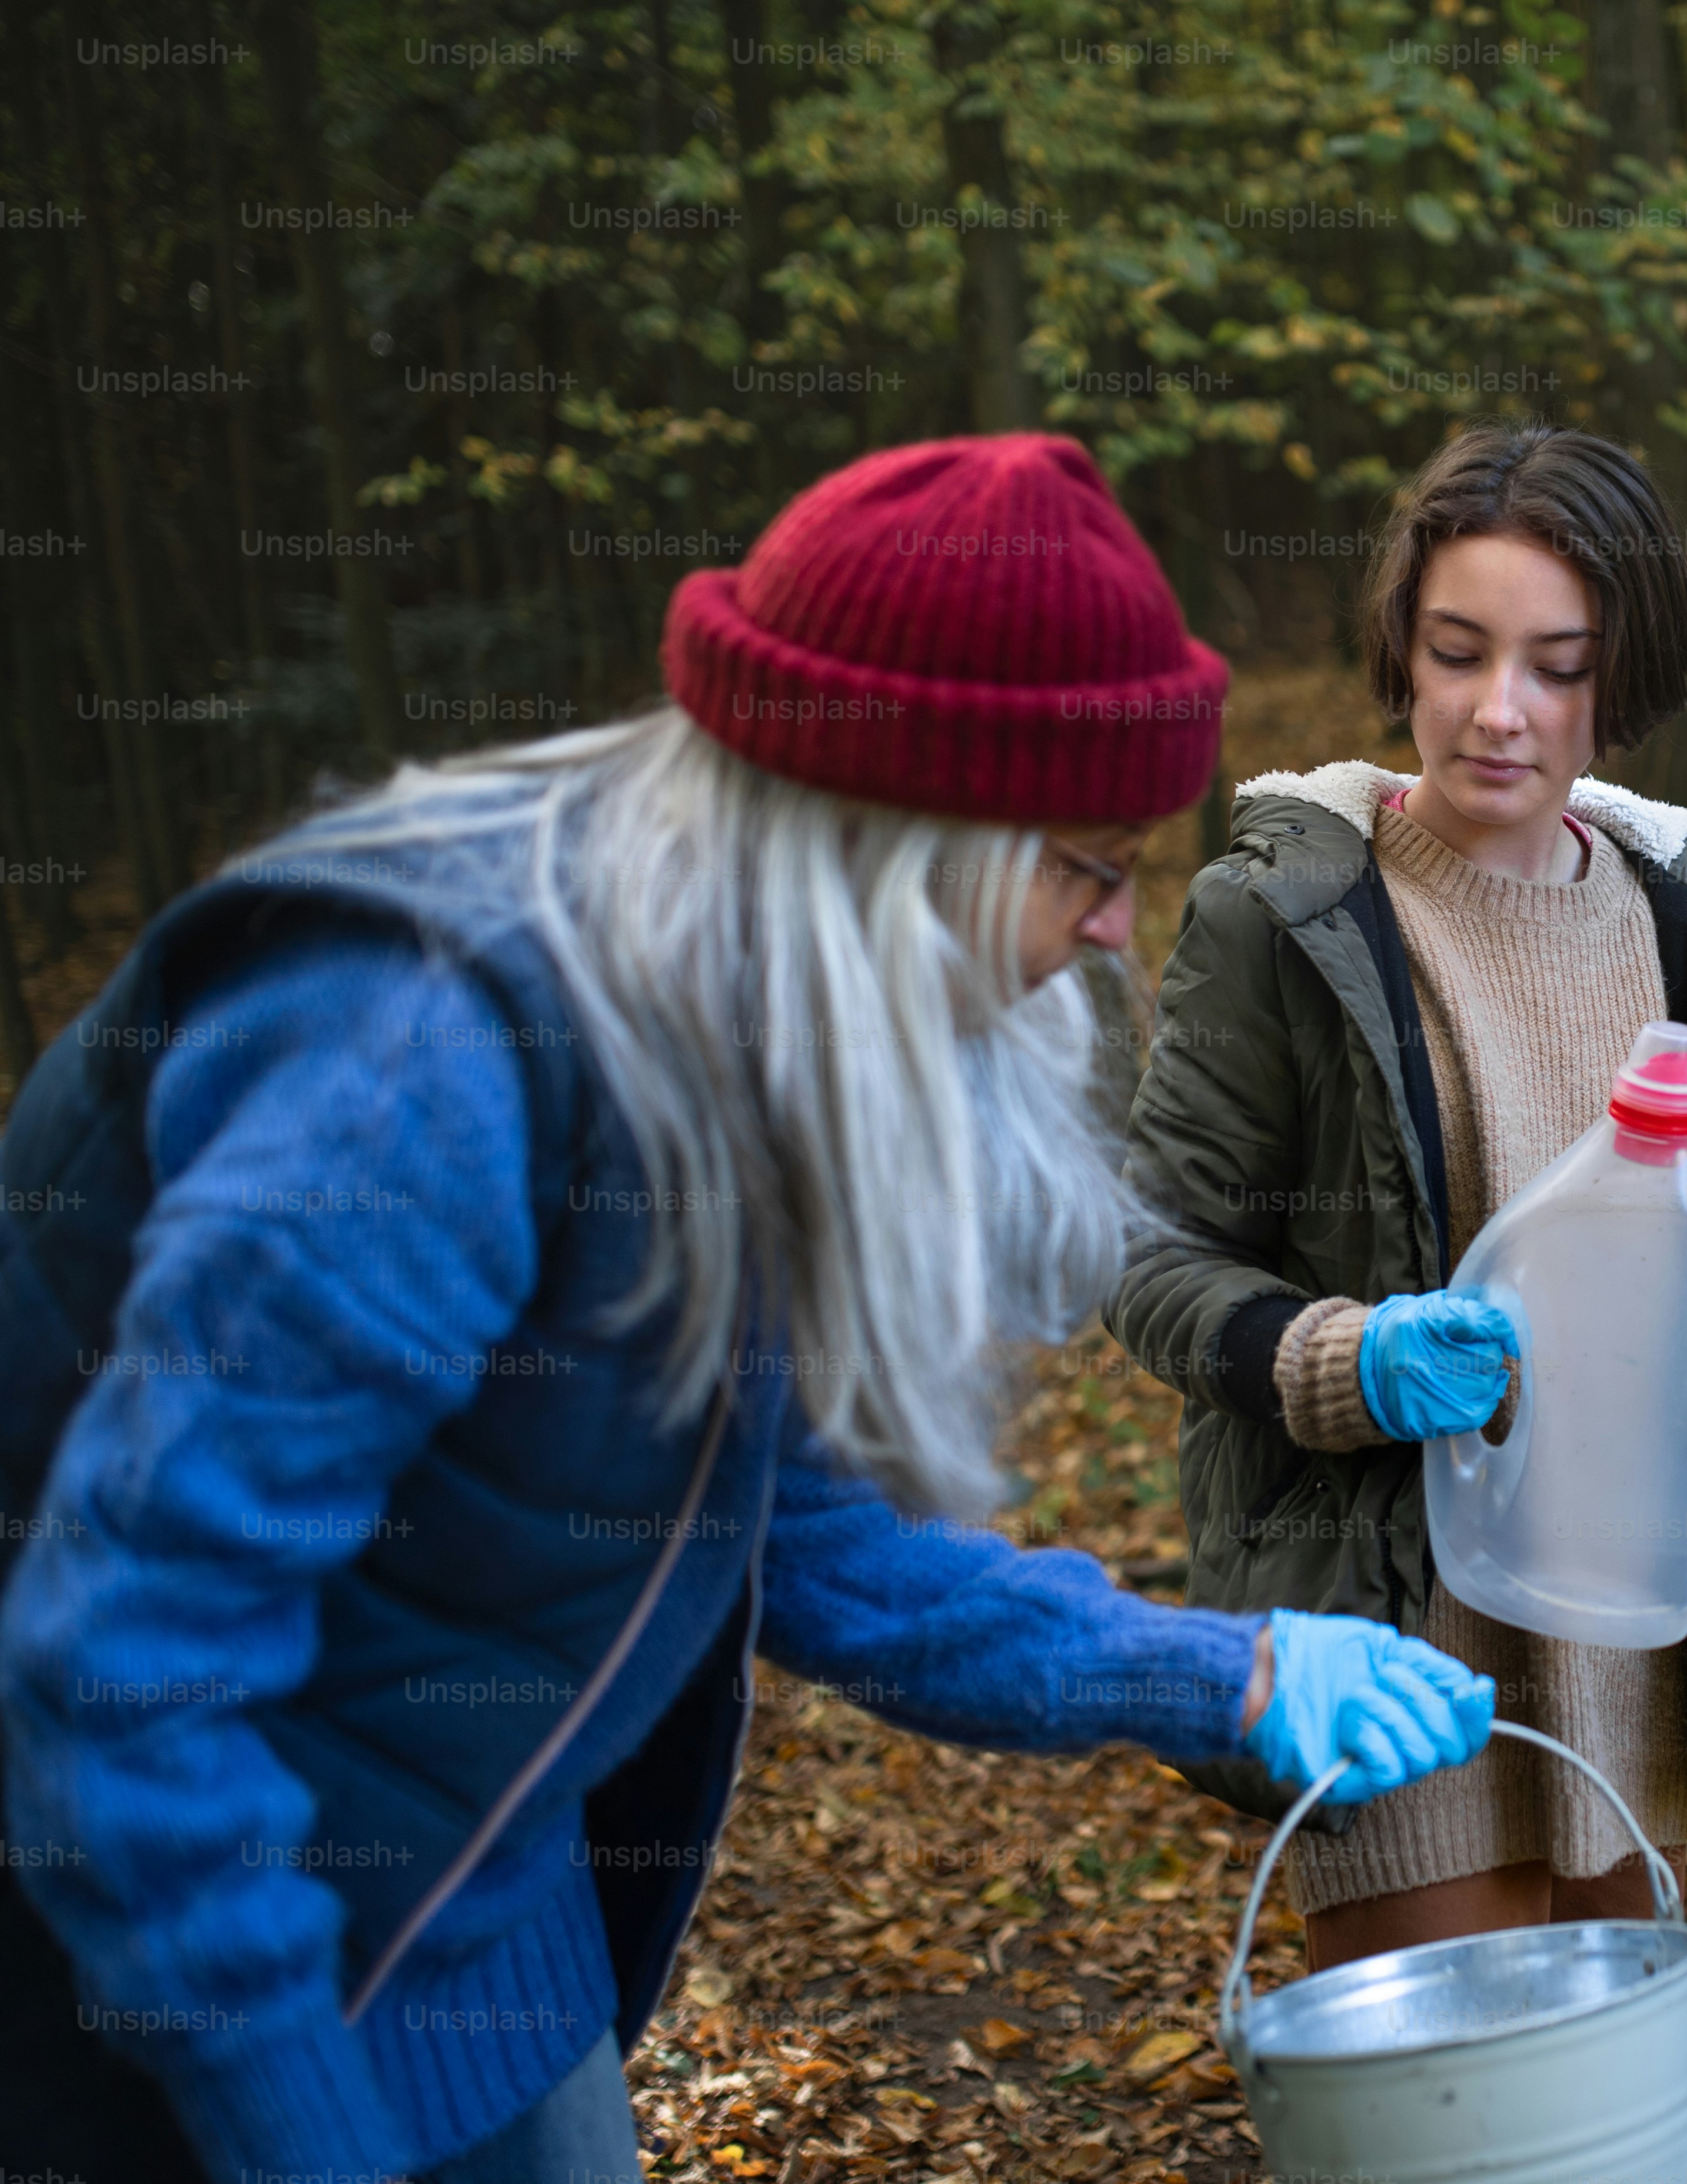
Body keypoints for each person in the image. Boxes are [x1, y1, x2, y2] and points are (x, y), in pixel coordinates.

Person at [0, 434, 1492, 2184]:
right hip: (178, 1980)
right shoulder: (421, 1062)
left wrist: (1219, 1675)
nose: (1111, 931)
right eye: (1085, 864)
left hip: (486, 1928)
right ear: (884, 840)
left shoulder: (731, 1027)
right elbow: (135, 1679)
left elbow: (788, 1531)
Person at [1110, 421, 1687, 1969]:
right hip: (1397, 1649)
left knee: (1597, 2117)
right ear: (1403, 647)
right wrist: (1350, 1357)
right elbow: (1151, 1256)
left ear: (1623, 677)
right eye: (1458, 653)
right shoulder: (1286, 921)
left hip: (1637, 1655)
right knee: (1450, 2119)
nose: (1497, 711)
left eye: (1555, 665)